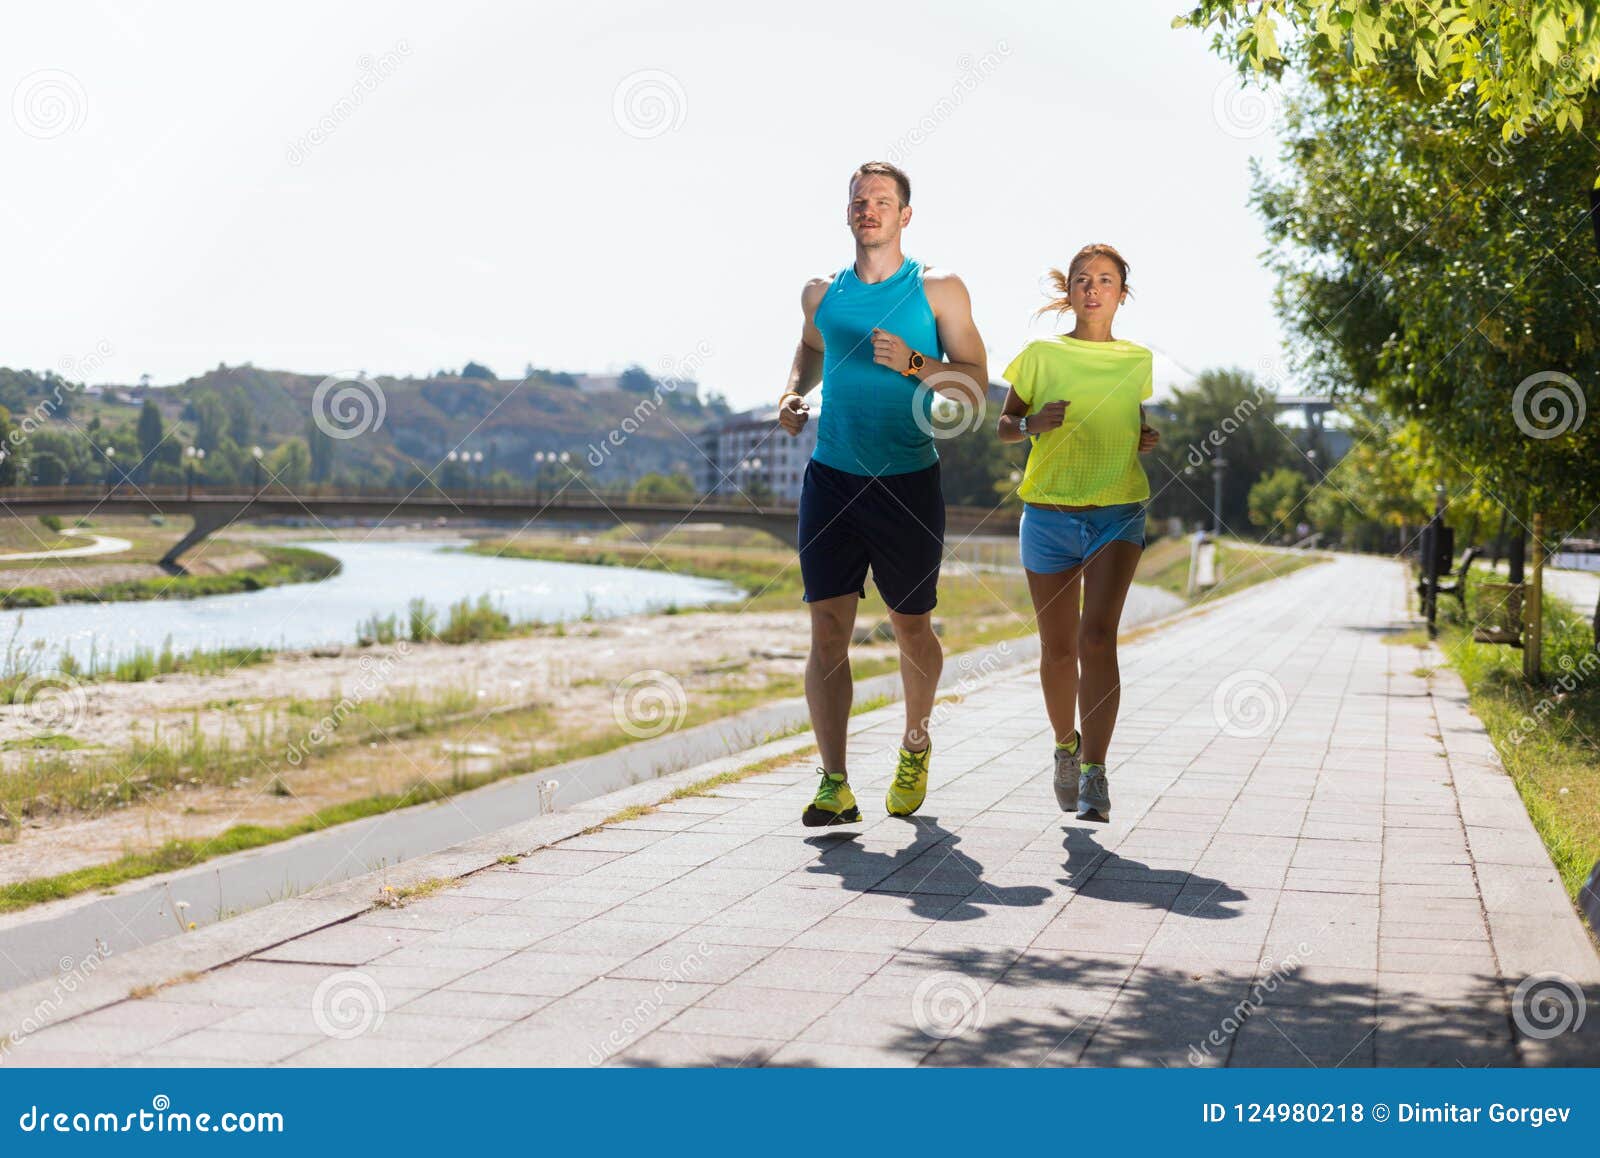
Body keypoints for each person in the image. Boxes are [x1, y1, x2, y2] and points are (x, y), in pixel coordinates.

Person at [777, 161, 988, 827]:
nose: (869, 209)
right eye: (859, 200)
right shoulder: (821, 294)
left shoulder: (939, 290)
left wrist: (917, 364)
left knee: (911, 628)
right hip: (831, 480)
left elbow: (977, 385)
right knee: (828, 630)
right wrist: (792, 391)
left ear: (905, 216)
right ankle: (834, 783)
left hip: (907, 483)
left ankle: (915, 741)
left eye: (883, 201)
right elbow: (808, 349)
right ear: (848, 214)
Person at [997, 244, 1159, 822]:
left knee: (1098, 639)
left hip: (1118, 510)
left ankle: (1095, 771)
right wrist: (1031, 424)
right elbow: (1004, 426)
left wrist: (1144, 435)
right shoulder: (1042, 354)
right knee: (1059, 649)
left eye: (1106, 280)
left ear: (1122, 292)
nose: (1093, 288)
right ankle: (1065, 746)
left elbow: (1129, 418)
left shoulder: (1138, 360)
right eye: (1083, 280)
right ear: (1068, 292)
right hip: (1047, 515)